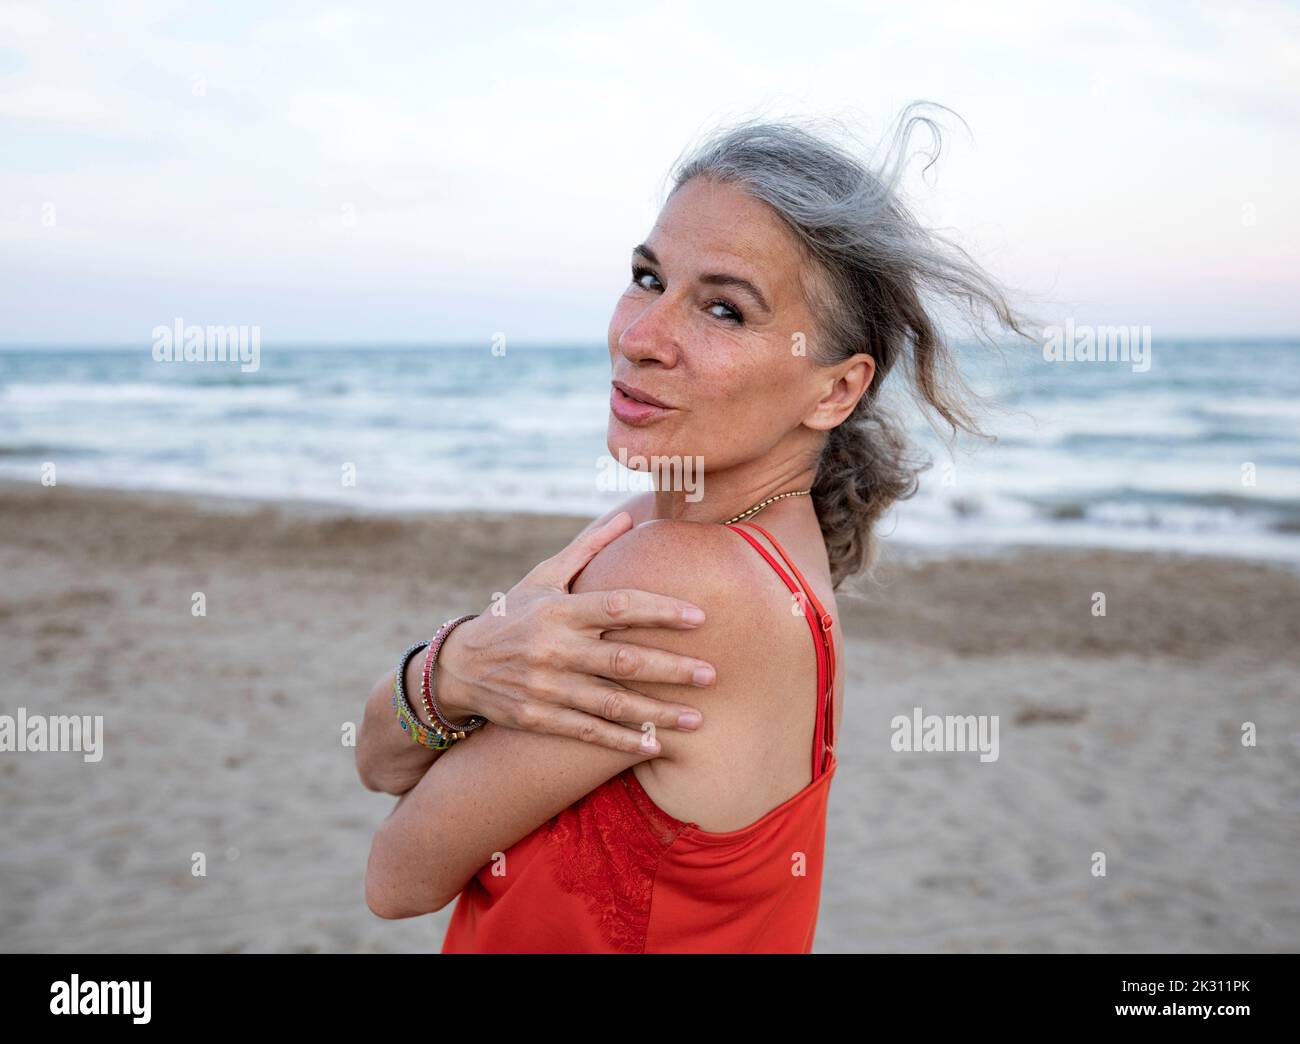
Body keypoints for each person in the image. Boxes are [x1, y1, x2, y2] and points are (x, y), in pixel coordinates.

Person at [357, 105, 1032, 952]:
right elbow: (379, 763)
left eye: (724, 311)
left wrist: (451, 669)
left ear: (834, 391)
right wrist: (459, 671)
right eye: (648, 278)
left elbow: (395, 873)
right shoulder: (696, 537)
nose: (640, 338)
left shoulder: (687, 579)